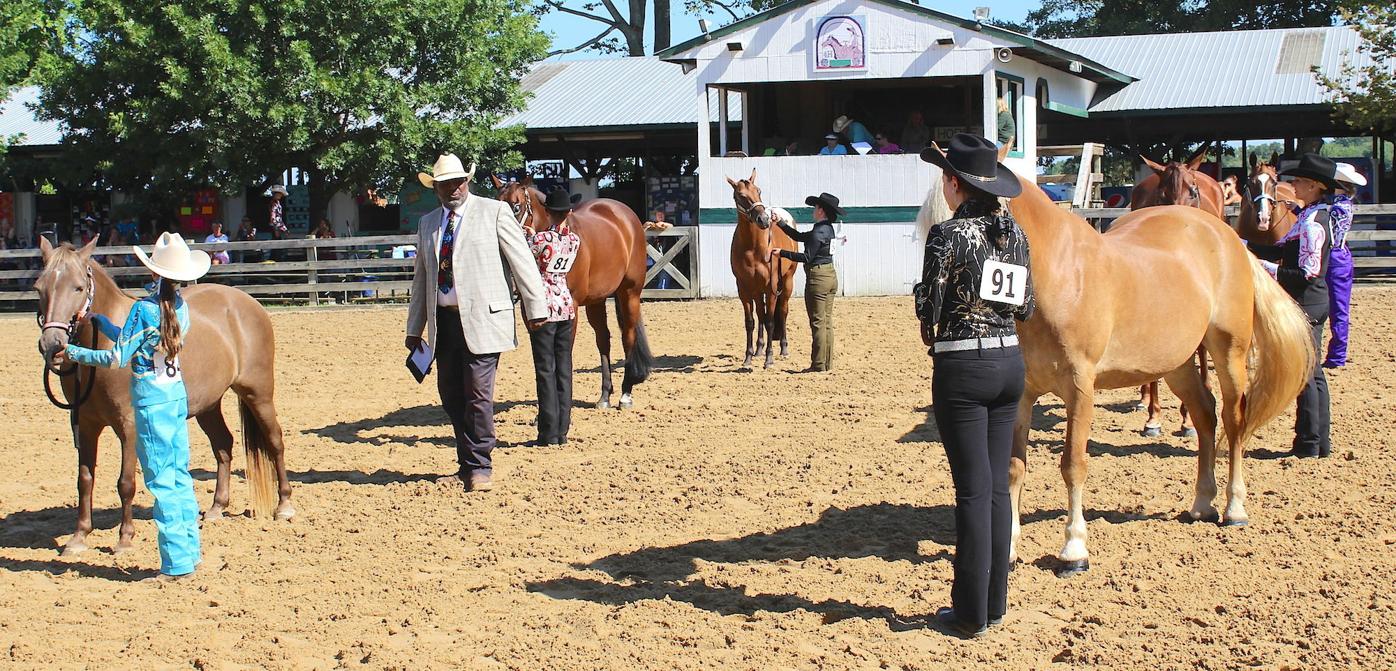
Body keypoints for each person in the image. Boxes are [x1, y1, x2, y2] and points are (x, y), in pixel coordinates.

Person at [914, 134, 1034, 638]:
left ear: (954, 184)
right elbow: (1025, 306)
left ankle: (968, 613)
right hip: (1010, 362)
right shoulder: (1016, 235)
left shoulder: (947, 235)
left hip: (963, 368)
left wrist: (923, 291)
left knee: (971, 491)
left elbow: (930, 315)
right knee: (996, 489)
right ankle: (995, 603)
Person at [57, 232, 209, 580]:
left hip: (152, 400)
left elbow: (116, 357)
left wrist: (75, 353)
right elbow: (139, 337)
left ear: (154, 271)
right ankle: (191, 552)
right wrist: (102, 323)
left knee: (161, 482)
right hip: (174, 394)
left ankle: (175, 565)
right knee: (180, 477)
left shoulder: (144, 308)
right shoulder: (180, 308)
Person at [405, 153, 548, 492]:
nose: (453, 189)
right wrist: (414, 329)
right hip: (445, 323)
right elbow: (421, 278)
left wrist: (535, 307)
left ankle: (480, 465)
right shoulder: (428, 224)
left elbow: (521, 260)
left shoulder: (494, 212)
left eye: (458, 182)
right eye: (445, 184)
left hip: (485, 319)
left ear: (467, 182)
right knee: (451, 395)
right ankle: (466, 459)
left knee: (478, 395)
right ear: (435, 188)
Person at [1262, 153, 1334, 458]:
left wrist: (1266, 268)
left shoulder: (1313, 224)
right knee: (1313, 373)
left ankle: (1308, 442)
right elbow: (1282, 247)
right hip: (1313, 300)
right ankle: (1317, 442)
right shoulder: (1310, 216)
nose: (1294, 185)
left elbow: (1305, 274)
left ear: (1315, 186)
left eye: (1300, 181)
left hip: (1307, 301)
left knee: (1305, 374)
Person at [524, 189, 582, 446]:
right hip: (566, 306)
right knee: (564, 369)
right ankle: (562, 430)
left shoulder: (539, 240)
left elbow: (526, 258)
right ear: (569, 212)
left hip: (543, 307)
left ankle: (547, 432)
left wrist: (527, 235)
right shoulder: (574, 241)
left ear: (547, 212)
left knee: (545, 370)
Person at [772, 192, 842, 372]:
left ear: (821, 211)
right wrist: (780, 222)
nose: (814, 210)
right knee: (826, 322)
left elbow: (807, 256)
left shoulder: (818, 232)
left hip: (818, 278)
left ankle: (818, 364)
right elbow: (799, 236)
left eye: (816, 207)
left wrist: (783, 253)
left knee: (817, 322)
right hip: (830, 275)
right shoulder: (827, 229)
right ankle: (826, 363)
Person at [1325, 162, 1364, 369]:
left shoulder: (1336, 207)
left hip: (1335, 256)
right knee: (1340, 307)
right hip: (1341, 254)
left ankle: (1337, 356)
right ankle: (1337, 354)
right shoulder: (1343, 203)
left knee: (1339, 308)